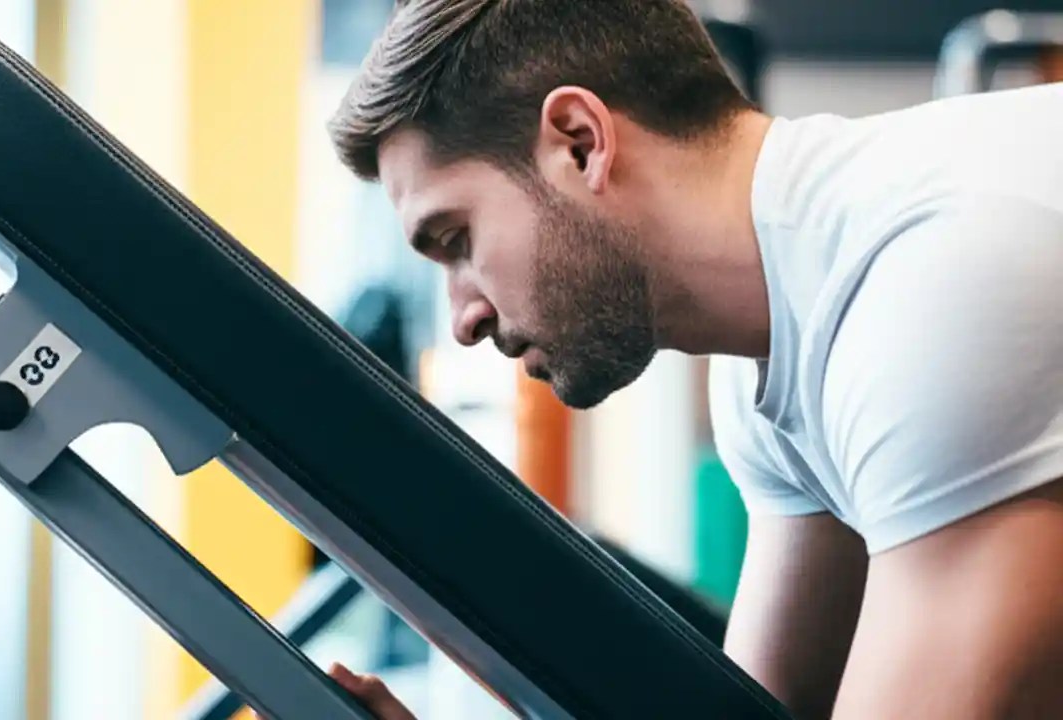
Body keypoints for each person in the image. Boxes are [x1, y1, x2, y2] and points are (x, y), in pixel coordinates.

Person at [268, 0, 1063, 718]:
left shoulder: (928, 282)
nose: (465, 316)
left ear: (580, 143)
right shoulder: (771, 357)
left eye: (457, 240)